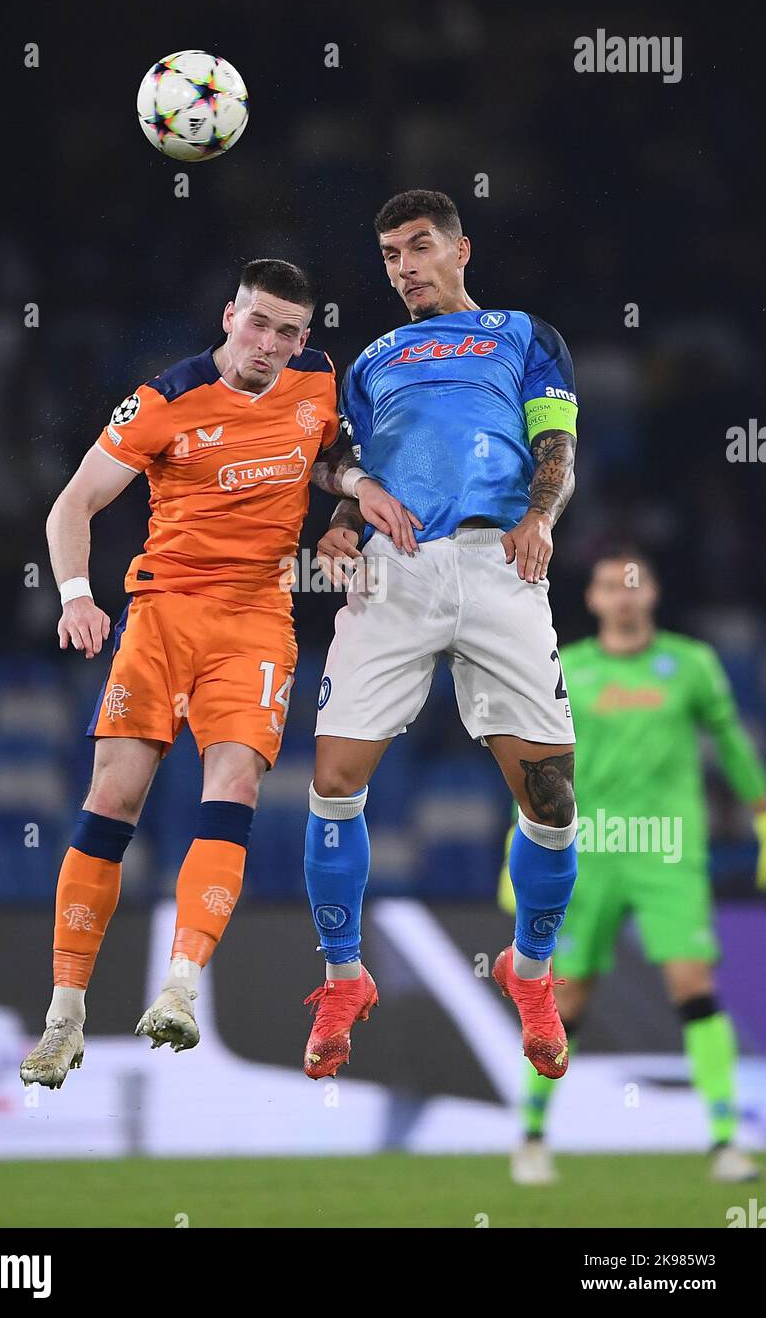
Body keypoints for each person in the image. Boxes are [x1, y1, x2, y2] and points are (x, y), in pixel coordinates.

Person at [19, 258, 413, 1089]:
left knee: (231, 790)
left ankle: (180, 988)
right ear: (229, 315)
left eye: (288, 331)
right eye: (257, 322)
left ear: (305, 339)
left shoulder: (316, 383)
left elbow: (324, 460)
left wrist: (360, 488)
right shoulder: (165, 399)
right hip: (161, 613)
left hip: (257, 623)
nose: (269, 343)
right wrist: (77, 597)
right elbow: (72, 505)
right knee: (112, 801)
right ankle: (64, 1017)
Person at [301, 189, 580, 1081]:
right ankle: (345, 980)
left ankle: (528, 974)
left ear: (463, 248)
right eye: (389, 255)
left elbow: (557, 449)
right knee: (333, 779)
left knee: (550, 800)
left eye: (419, 247)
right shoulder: (371, 359)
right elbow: (352, 466)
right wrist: (343, 519)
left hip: (502, 561)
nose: (405, 267)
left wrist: (541, 520)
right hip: (397, 568)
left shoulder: (523, 335)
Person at [500, 547, 766, 1183]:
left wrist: (761, 812)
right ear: (592, 600)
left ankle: (726, 1141)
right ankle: (531, 1138)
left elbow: (730, 741)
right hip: (584, 853)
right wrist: (519, 848)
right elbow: (540, 766)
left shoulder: (691, 665)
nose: (622, 597)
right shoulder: (568, 668)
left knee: (693, 988)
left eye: (633, 585)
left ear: (651, 594)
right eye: (609, 588)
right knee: (567, 1002)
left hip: (669, 852)